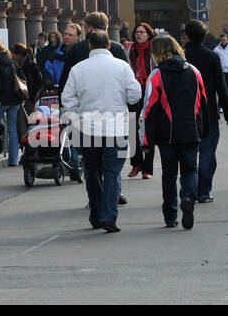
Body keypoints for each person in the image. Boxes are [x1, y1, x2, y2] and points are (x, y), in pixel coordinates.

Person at [61, 30, 140, 233]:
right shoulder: (122, 67)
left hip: (87, 128)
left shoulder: (78, 69)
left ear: (90, 46)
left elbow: (67, 98)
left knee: (92, 172)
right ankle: (109, 216)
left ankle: (96, 215)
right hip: (118, 127)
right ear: (108, 46)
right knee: (112, 173)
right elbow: (134, 95)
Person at [142, 35, 208, 230]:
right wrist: (204, 131)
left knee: (169, 175)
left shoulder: (156, 76)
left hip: (166, 135)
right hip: (191, 131)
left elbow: (148, 111)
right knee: (190, 170)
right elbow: (203, 103)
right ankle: (187, 197)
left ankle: (170, 215)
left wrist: (146, 141)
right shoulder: (194, 72)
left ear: (157, 53)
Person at [183, 20, 228, 204]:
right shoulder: (212, 57)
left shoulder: (180, 56)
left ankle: (188, 190)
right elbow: (221, 86)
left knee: (188, 154)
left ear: (186, 36)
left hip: (185, 114)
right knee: (207, 153)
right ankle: (204, 191)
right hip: (208, 111)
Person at [59, 12, 128, 95]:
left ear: (89, 29)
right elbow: (129, 82)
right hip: (115, 100)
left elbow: (66, 80)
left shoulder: (77, 48)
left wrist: (65, 105)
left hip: (84, 101)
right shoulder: (118, 48)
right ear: (106, 27)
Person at [126, 21, 156, 180]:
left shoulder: (153, 49)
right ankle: (136, 163)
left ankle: (147, 167)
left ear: (149, 34)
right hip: (134, 91)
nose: (139, 34)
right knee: (131, 127)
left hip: (150, 91)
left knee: (148, 130)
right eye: (137, 32)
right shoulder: (131, 50)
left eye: (142, 32)